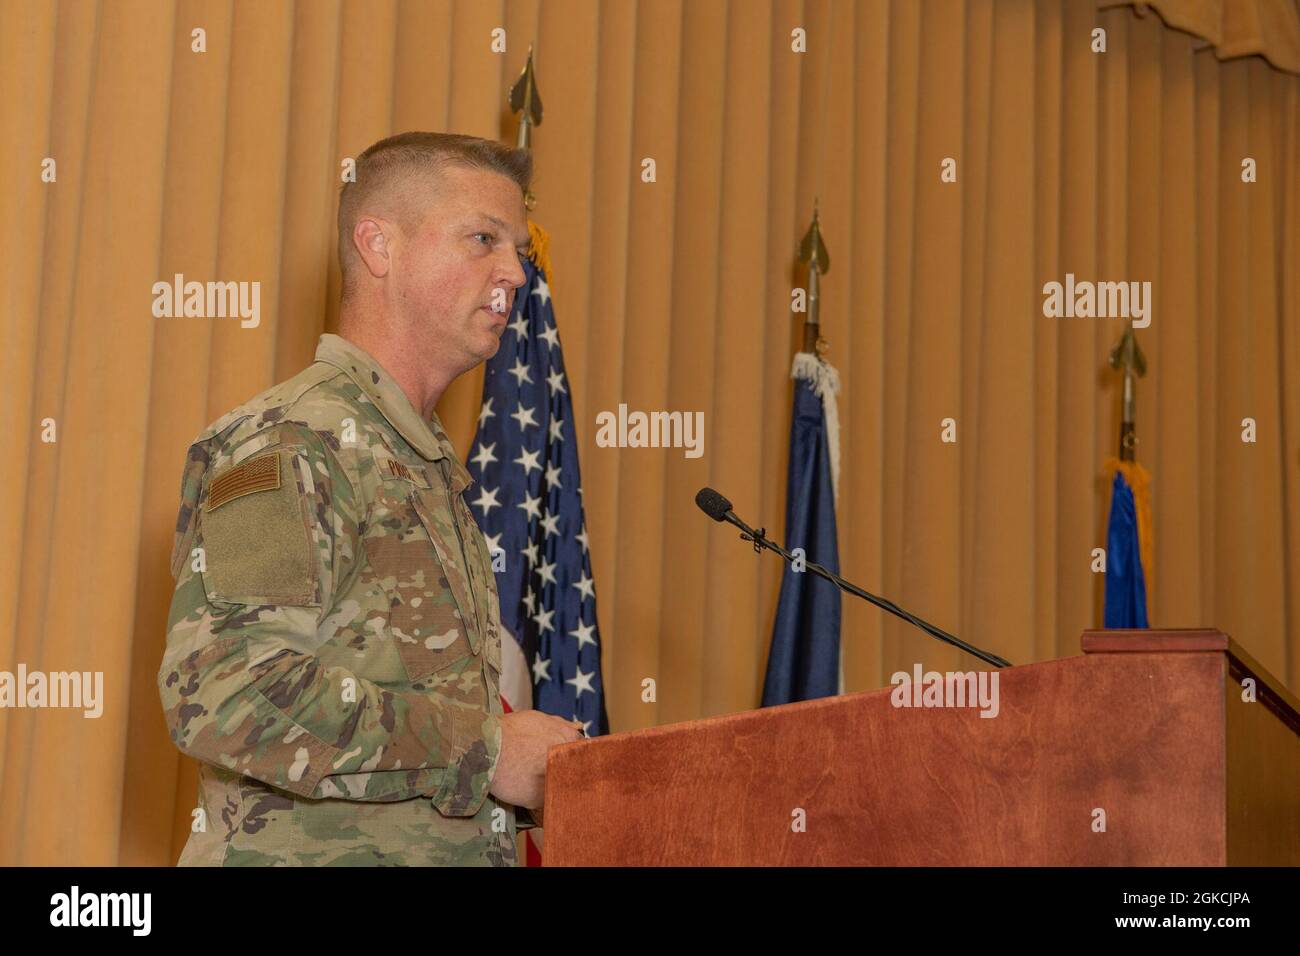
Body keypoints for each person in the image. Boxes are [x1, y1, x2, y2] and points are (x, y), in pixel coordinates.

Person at [157, 131, 583, 866]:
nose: (513, 271)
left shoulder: (423, 460)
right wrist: (488, 750)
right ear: (378, 246)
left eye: (517, 248)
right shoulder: (289, 441)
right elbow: (229, 694)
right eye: (483, 238)